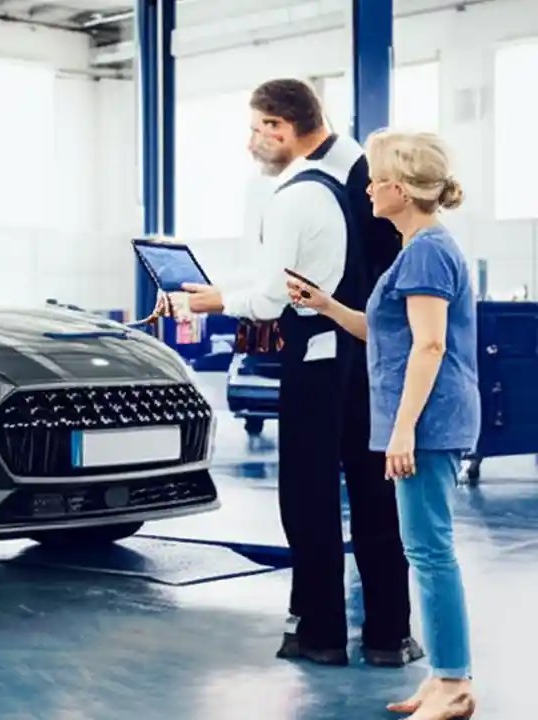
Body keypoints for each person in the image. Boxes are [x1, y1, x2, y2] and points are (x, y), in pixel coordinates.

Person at [172, 79, 419, 666]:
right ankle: (390, 636)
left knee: (307, 502)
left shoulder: (297, 195)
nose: (252, 142)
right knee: (378, 499)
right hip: (374, 357)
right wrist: (230, 289)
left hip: (316, 361)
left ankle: (320, 635)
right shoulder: (365, 173)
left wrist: (212, 302)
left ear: (280, 128)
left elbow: (272, 297)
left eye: (257, 128)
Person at [287, 129, 477, 719]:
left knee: (430, 550)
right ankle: (444, 677)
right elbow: (387, 333)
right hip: (422, 419)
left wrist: (401, 431)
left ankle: (453, 684)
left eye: (373, 180)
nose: (365, 190)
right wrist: (327, 307)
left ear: (397, 188)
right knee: (424, 548)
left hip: (427, 423)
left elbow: (429, 346)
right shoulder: (416, 248)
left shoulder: (425, 252)